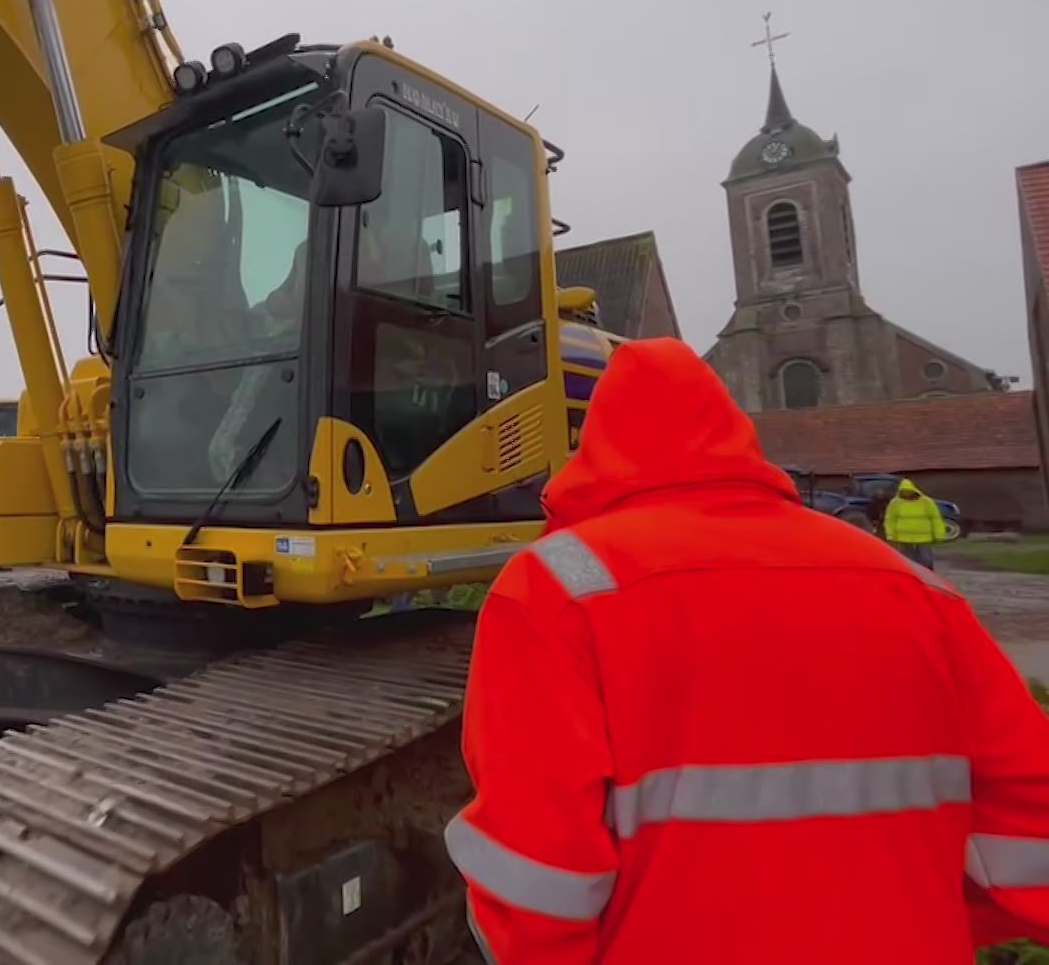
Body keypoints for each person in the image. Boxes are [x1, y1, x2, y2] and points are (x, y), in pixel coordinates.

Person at [443, 337, 1049, 964]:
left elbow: (537, 888)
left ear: (594, 449)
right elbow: (1033, 830)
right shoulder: (916, 590)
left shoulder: (556, 591)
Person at [884, 477, 949, 570]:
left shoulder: (926, 502)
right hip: (903, 537)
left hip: (923, 537)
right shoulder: (895, 503)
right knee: (906, 560)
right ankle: (911, 575)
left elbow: (935, 519)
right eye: (904, 491)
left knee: (925, 559)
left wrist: (939, 534)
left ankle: (927, 575)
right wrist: (890, 534)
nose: (906, 493)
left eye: (908, 491)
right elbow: (890, 519)